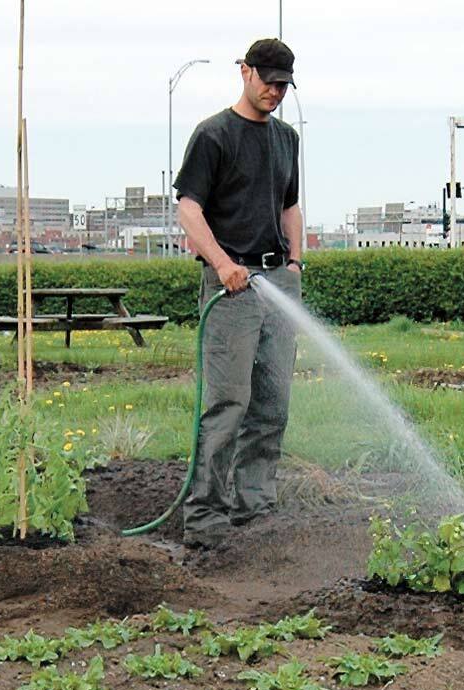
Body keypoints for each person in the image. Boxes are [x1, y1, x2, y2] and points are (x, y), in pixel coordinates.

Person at [172, 37, 304, 548]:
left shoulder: (287, 139)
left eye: (283, 86)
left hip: (276, 284)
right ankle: (205, 516)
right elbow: (189, 208)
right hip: (230, 288)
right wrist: (223, 264)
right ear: (244, 73)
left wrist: (294, 263)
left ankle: (256, 506)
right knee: (228, 402)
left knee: (272, 404)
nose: (275, 92)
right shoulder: (213, 135)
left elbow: (289, 204)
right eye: (268, 82)